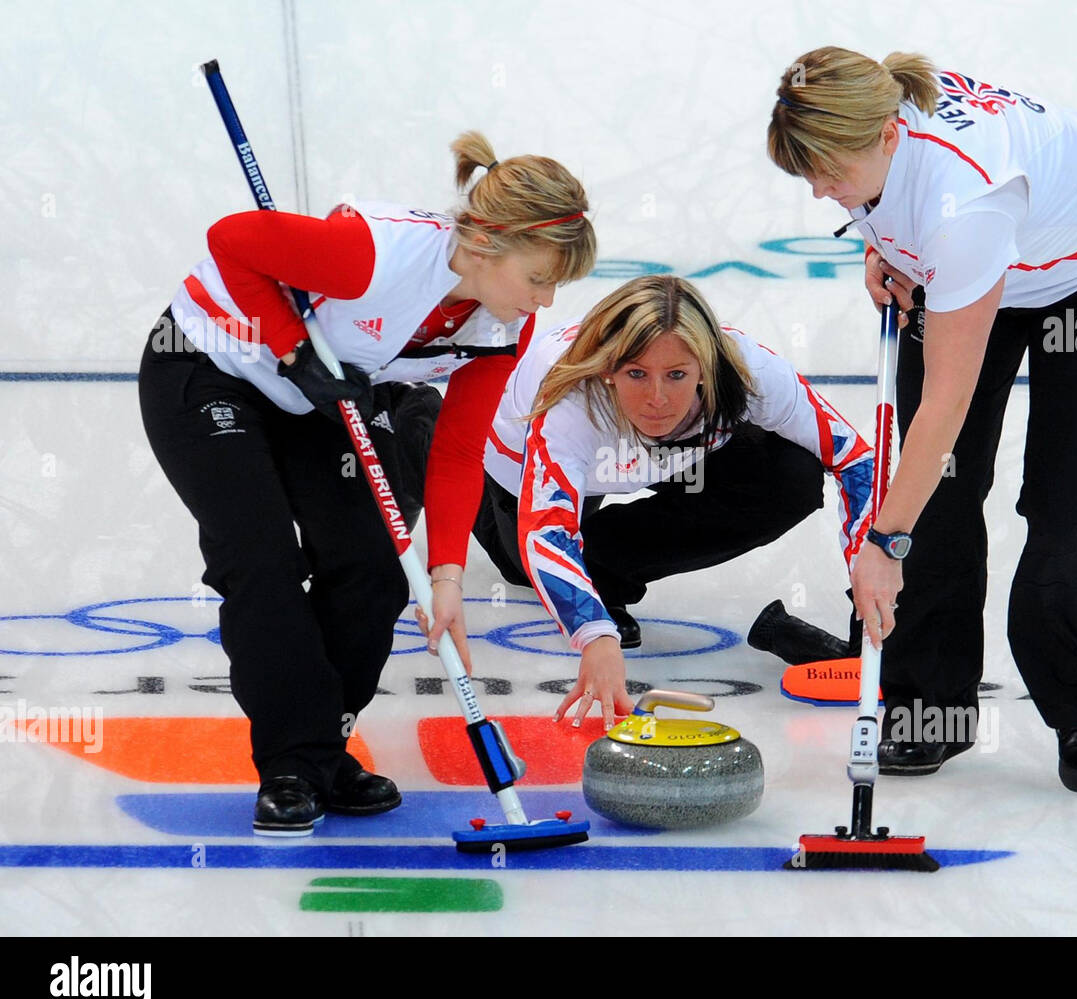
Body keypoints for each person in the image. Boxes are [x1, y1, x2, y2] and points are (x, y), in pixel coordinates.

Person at [138, 131, 596, 834]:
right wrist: (291, 349)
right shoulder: (371, 256)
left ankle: (318, 750)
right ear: (482, 248)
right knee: (261, 559)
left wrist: (446, 577)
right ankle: (295, 763)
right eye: (539, 278)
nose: (546, 301)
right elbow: (231, 239)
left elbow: (456, 451)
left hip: (328, 394)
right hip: (213, 369)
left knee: (378, 565)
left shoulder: (504, 328)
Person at [768, 47, 1077, 792]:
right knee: (942, 487)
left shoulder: (964, 203)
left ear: (889, 136)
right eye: (807, 172)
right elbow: (880, 197)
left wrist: (883, 543)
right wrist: (881, 242)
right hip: (987, 251)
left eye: (831, 173)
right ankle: (927, 708)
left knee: (1064, 492)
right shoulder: (872, 121)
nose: (821, 191)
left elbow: (945, 403)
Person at [458, 274, 875, 729]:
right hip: (530, 460)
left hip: (679, 458)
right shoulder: (568, 401)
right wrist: (596, 637)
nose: (657, 399)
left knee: (789, 476)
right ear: (608, 369)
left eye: (677, 375)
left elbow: (854, 458)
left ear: (705, 367)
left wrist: (868, 585)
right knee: (524, 569)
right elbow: (547, 531)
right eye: (636, 373)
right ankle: (428, 434)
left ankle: (606, 572)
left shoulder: (747, 369)